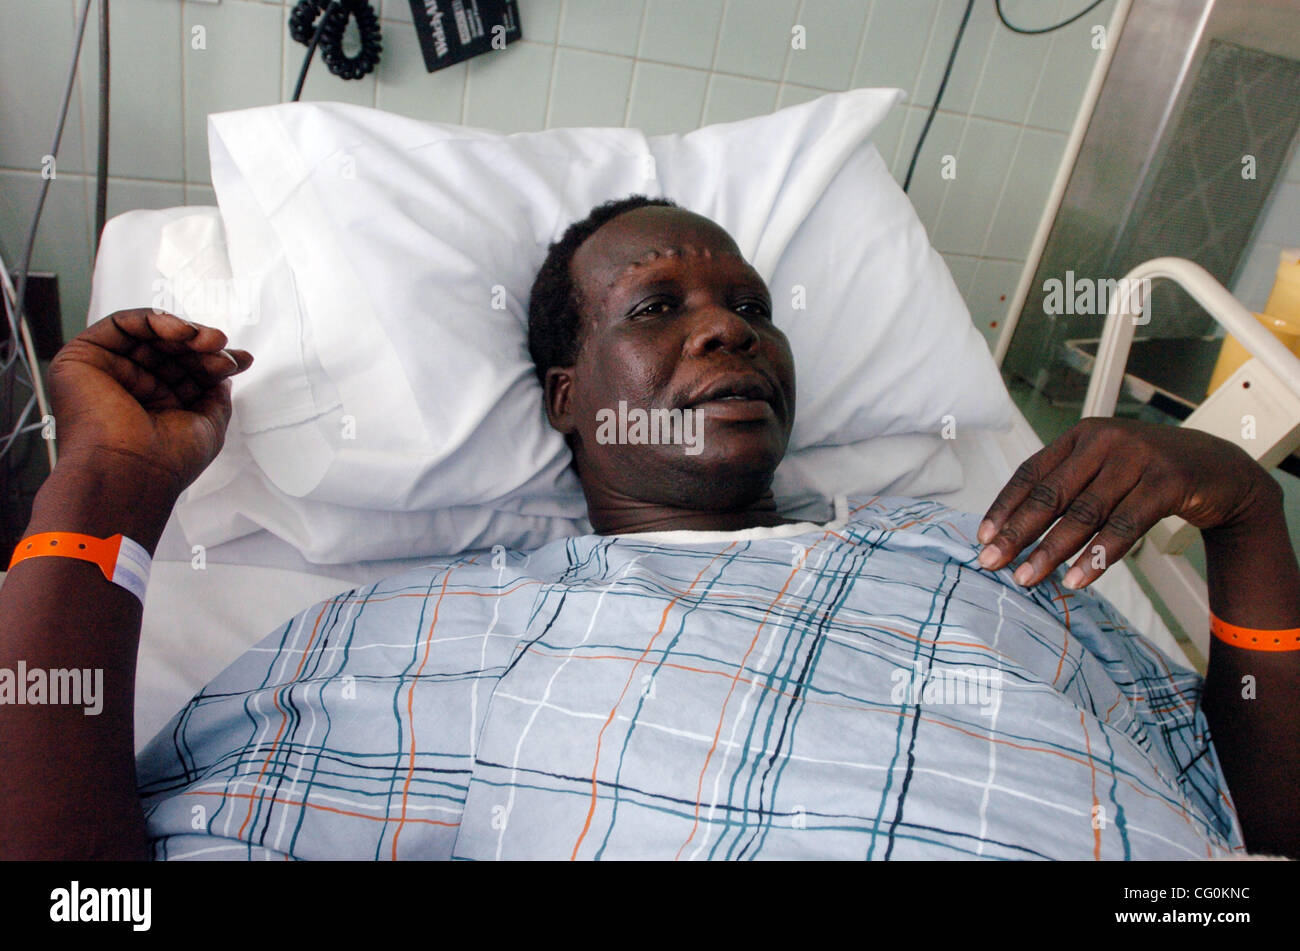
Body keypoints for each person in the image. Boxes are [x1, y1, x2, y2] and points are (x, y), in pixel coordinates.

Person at [1, 196, 1297, 860]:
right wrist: (108, 485)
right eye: (654, 308)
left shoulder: (988, 545)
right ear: (568, 398)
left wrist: (1247, 512)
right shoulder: (443, 627)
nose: (726, 326)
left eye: (745, 303)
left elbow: (1255, 825)